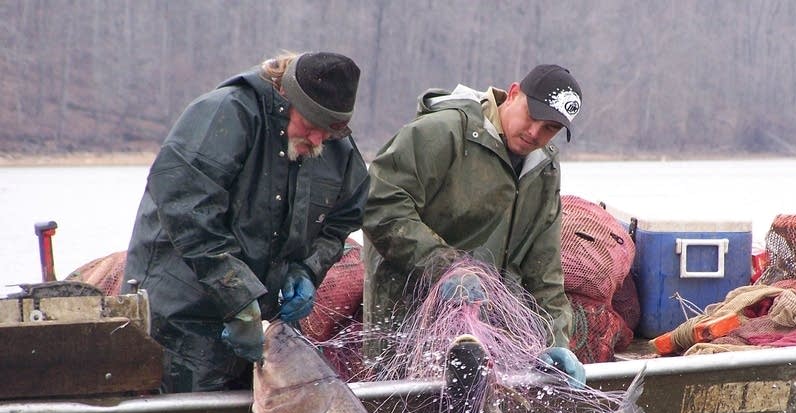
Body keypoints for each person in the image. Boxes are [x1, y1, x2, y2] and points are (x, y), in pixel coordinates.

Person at [123, 51, 370, 392]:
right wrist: (236, 296)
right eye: (310, 127)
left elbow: (344, 217)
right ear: (286, 99)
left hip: (263, 324)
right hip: (181, 323)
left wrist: (307, 268)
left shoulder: (333, 144)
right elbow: (187, 209)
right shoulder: (228, 114)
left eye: (326, 135)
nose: (317, 142)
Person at [362, 64, 585, 384]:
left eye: (549, 127)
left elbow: (544, 269)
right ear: (512, 94)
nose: (536, 132)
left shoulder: (545, 166)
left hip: (490, 341)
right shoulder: (441, 132)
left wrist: (556, 344)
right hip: (409, 326)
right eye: (532, 115)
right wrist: (446, 267)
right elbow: (380, 206)